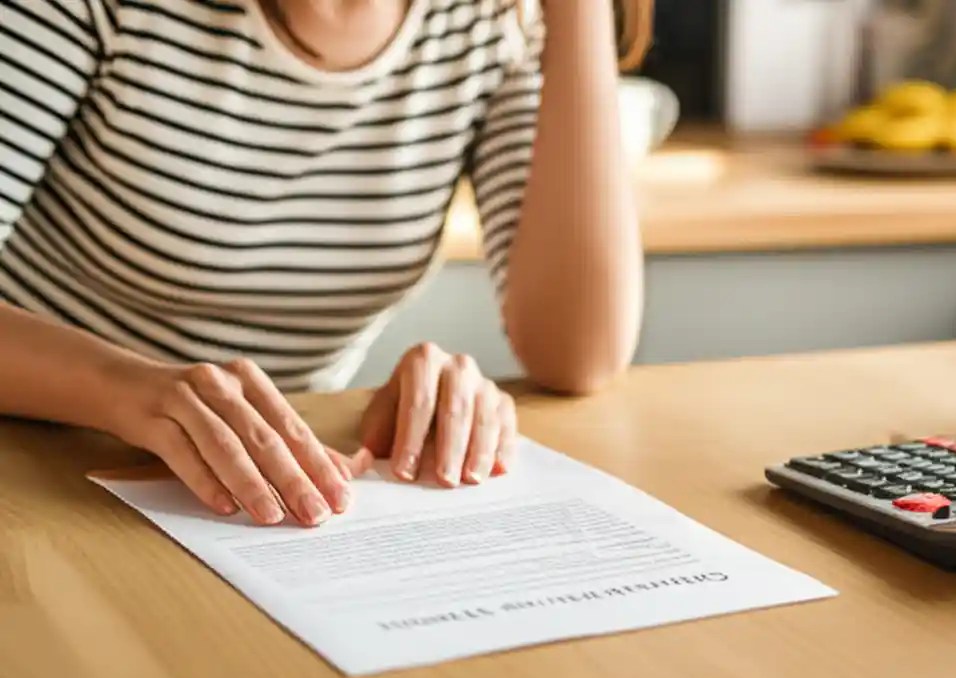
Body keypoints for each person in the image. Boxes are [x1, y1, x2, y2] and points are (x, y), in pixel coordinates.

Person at [0, 0, 648, 526]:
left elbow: (577, 353)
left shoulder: (491, 21)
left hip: (264, 499)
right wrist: (128, 389)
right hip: (36, 463)